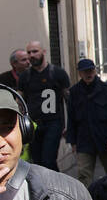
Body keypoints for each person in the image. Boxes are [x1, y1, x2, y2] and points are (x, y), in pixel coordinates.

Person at [66, 58, 107, 186]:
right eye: (85, 71)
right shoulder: (75, 92)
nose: (88, 74)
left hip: (106, 138)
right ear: (79, 73)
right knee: (83, 175)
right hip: (84, 139)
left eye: (91, 70)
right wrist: (72, 141)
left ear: (95, 70)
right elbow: (71, 118)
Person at [20, 40, 71, 171]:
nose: (31, 55)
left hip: (53, 122)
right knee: (37, 162)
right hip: (33, 124)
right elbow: (19, 101)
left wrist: (69, 125)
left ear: (44, 52)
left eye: (35, 51)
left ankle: (57, 187)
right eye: (29, 52)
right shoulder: (25, 76)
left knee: (48, 160)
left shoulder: (57, 73)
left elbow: (68, 100)